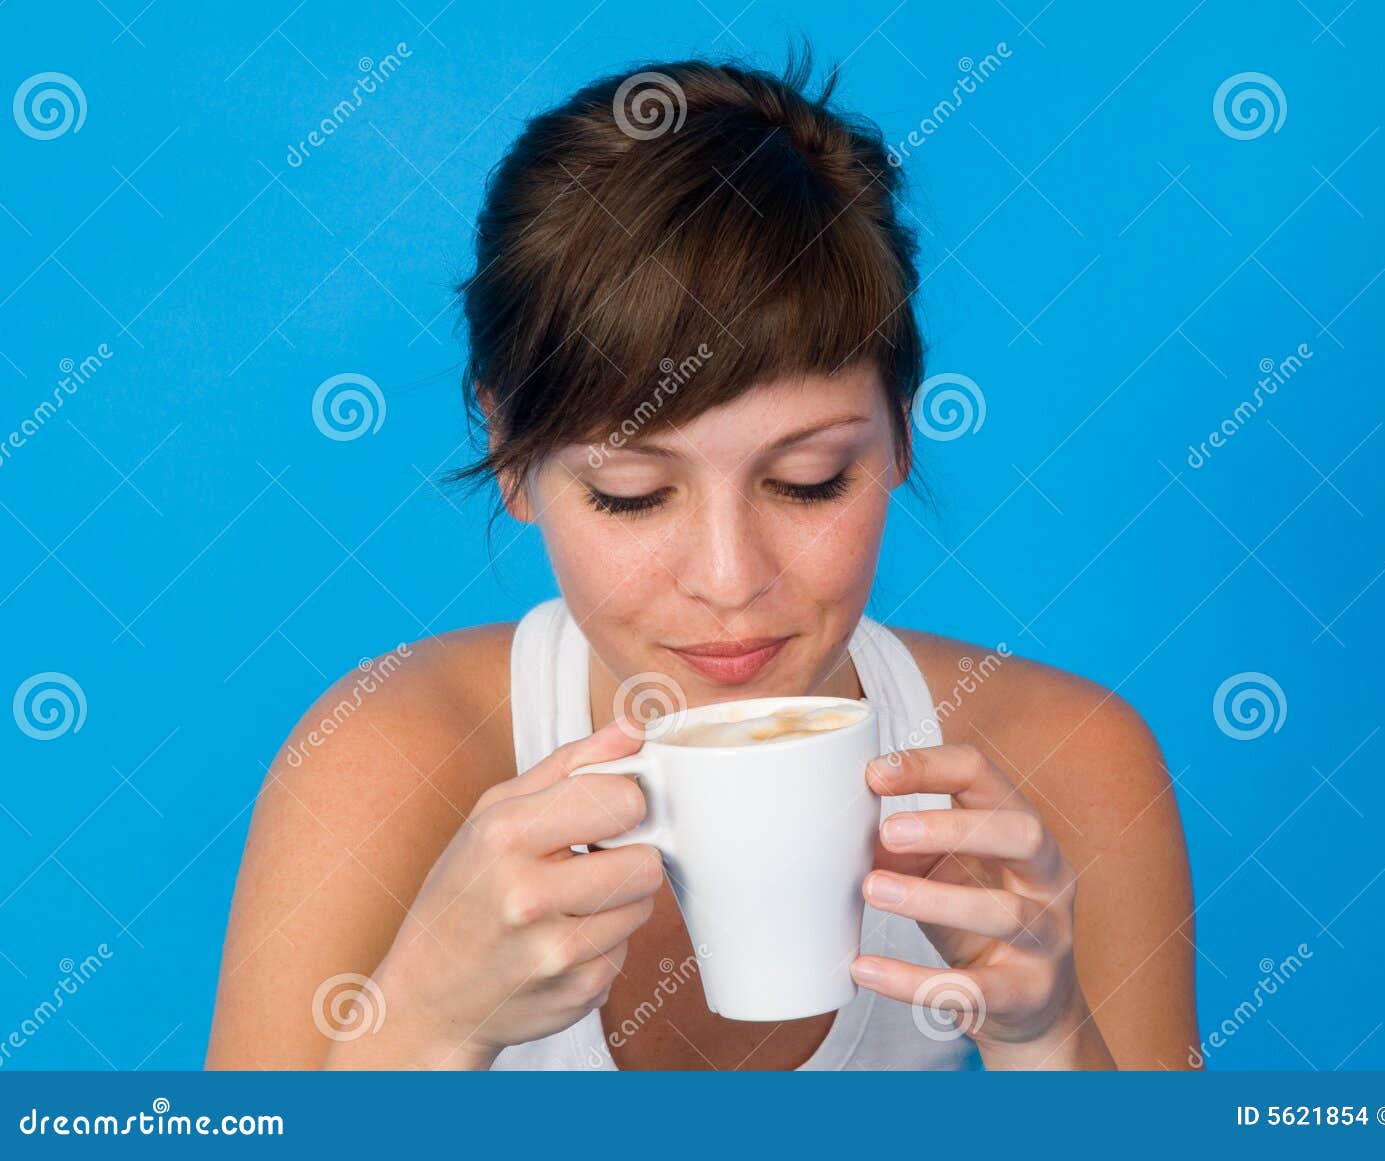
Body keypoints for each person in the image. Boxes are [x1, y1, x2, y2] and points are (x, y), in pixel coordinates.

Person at [206, 47, 1199, 1071]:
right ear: (511, 461)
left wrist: (1049, 1040)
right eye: (632, 494)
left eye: (808, 480)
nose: (729, 582)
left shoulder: (1065, 761)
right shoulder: (382, 761)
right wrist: (422, 1024)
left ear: (903, 434)